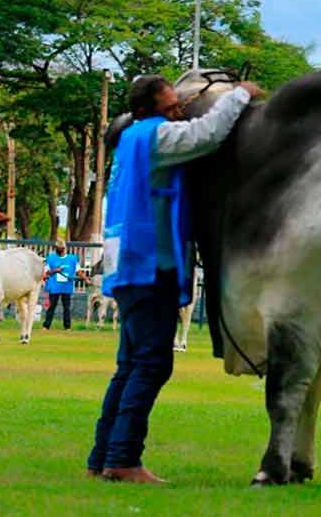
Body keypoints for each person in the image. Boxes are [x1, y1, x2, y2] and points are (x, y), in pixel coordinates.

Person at [87, 74, 262, 484]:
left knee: (130, 366)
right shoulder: (157, 137)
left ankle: (103, 456)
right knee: (151, 364)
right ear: (147, 111)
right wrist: (240, 94)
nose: (177, 112)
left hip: (129, 266)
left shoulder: (130, 139)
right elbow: (209, 133)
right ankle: (122, 459)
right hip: (151, 267)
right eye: (170, 108)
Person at [43, 239, 87, 330]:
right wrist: (56, 270)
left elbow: (79, 272)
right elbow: (46, 273)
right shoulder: (51, 258)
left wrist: (86, 279)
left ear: (64, 248)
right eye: (57, 248)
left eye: (60, 248)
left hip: (67, 287)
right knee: (51, 307)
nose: (59, 250)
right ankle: (46, 326)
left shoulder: (72, 259)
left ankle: (67, 327)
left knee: (66, 307)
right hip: (54, 287)